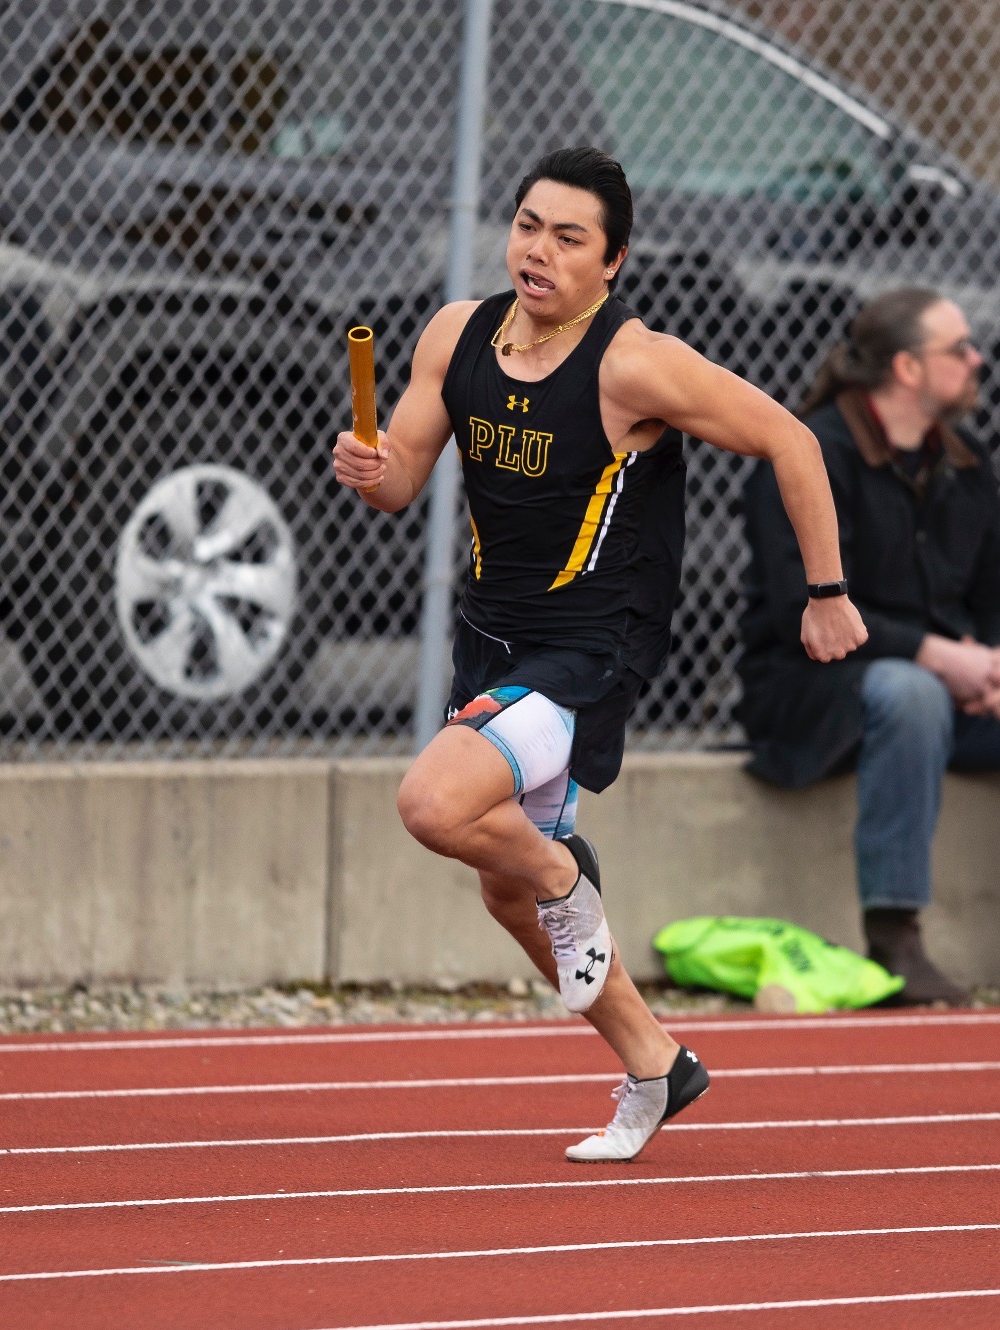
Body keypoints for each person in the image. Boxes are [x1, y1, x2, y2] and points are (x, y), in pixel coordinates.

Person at [332, 146, 867, 1160]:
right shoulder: (458, 334)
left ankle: (566, 879)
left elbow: (792, 440)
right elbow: (396, 480)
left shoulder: (634, 364)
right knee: (502, 886)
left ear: (611, 261)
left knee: (432, 805)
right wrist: (366, 464)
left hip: (590, 649)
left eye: (567, 237)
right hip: (491, 639)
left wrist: (827, 591)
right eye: (528, 225)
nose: (538, 249)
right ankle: (657, 1064)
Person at [735, 287, 1000, 1006]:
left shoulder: (963, 458)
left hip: (948, 698)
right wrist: (937, 655)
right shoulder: (811, 453)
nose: (977, 359)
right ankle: (896, 940)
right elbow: (793, 609)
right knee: (911, 687)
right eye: (958, 349)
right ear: (907, 367)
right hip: (818, 698)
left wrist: (997, 660)